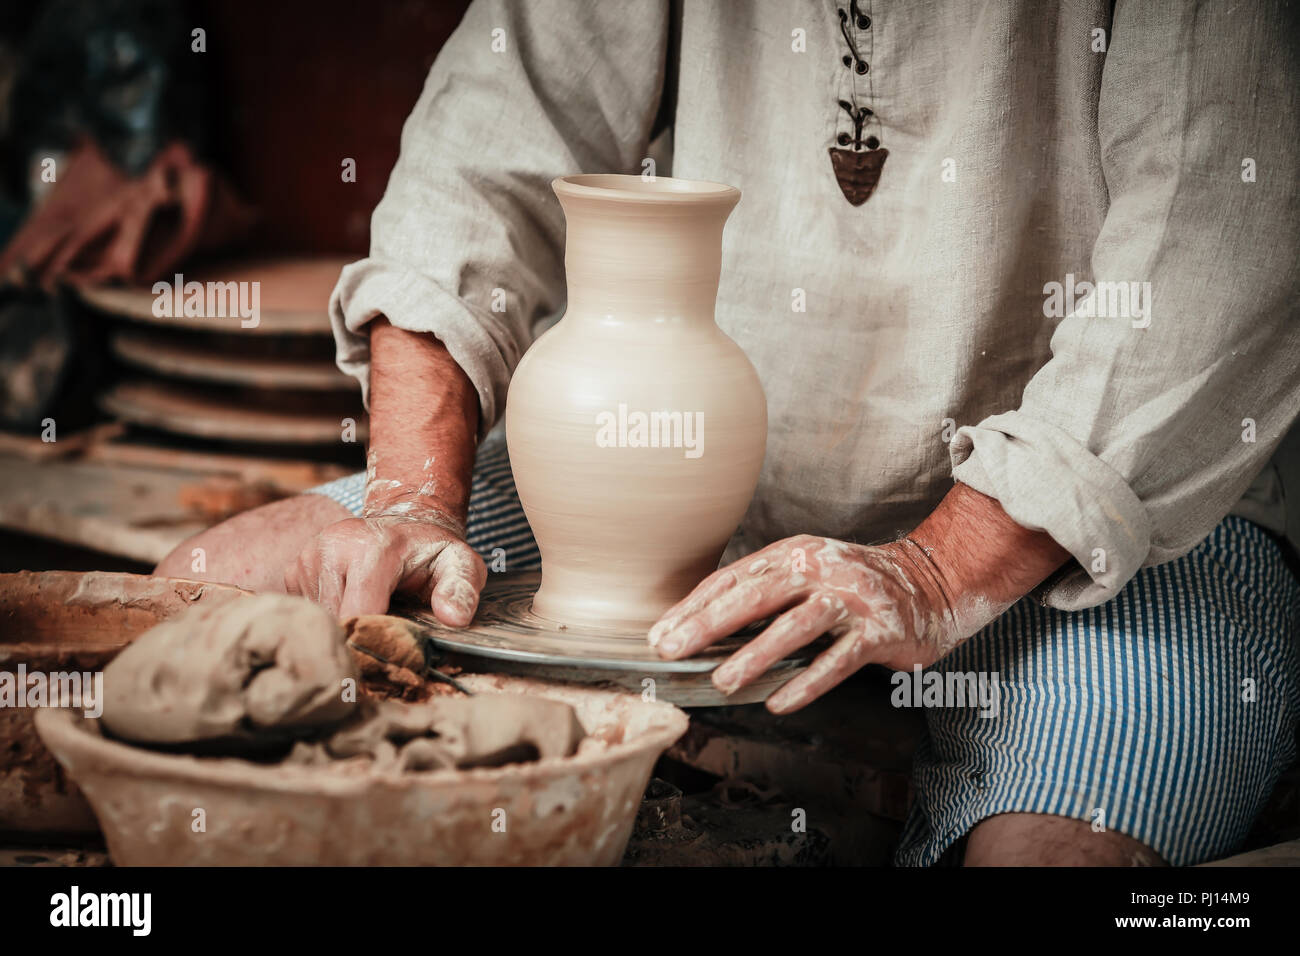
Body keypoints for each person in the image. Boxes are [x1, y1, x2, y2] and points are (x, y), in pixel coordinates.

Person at [157, 0, 1300, 866]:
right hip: (688, 483)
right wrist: (413, 492)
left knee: (1056, 849)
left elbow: (1219, 248)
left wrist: (930, 568)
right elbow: (481, 157)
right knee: (212, 596)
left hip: (1107, 509)